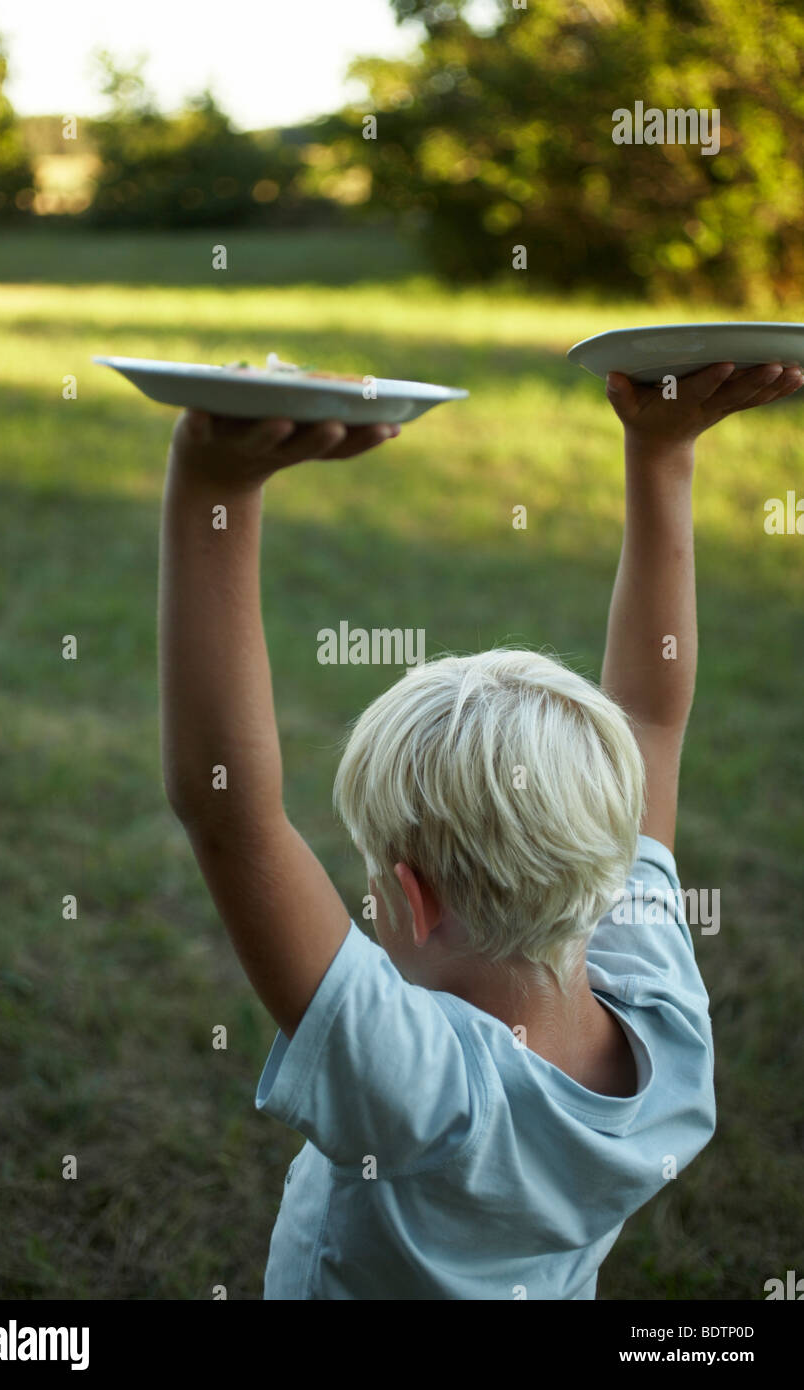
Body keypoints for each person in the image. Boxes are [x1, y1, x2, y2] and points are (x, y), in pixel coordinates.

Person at [157, 359, 803, 1299]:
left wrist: (213, 488)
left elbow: (230, 816)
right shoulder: (664, 1020)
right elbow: (653, 722)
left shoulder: (422, 1089)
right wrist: (662, 451)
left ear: (410, 900)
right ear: (609, 857)